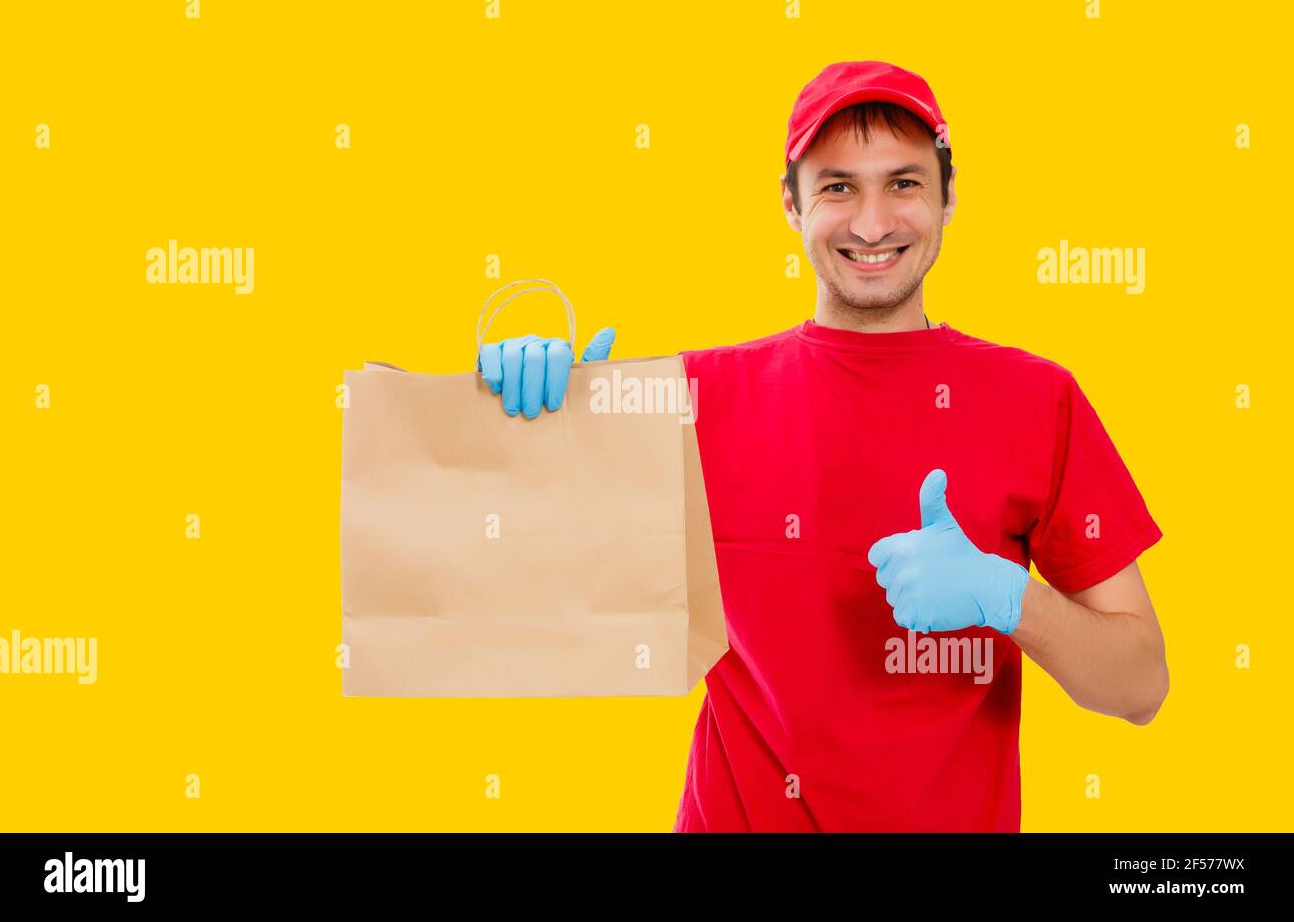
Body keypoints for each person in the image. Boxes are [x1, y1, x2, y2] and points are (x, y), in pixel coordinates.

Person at [476, 61, 1167, 832]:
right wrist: (520, 418)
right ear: (790, 203)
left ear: (949, 195)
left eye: (903, 183)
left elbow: (1139, 687)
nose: (872, 223)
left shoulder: (1039, 401)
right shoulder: (689, 400)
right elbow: (510, 572)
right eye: (838, 187)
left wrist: (1012, 599)